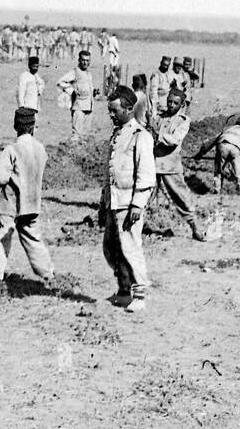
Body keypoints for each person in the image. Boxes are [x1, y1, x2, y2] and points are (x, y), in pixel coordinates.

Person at [0, 108, 55, 298]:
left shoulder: (11, 149)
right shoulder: (40, 149)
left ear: (15, 126)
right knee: (34, 240)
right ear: (33, 127)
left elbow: (0, 179)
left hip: (10, 203)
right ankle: (50, 276)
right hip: (32, 203)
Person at [98, 85, 156, 313]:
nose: (111, 115)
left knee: (130, 247)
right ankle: (123, 291)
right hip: (113, 201)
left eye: (115, 111)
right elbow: (109, 173)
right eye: (109, 111)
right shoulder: (117, 135)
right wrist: (103, 203)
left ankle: (139, 293)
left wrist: (137, 204)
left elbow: (146, 174)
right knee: (111, 249)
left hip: (128, 203)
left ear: (129, 109)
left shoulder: (140, 136)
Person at [151, 89, 205, 238]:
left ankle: (195, 227)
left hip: (170, 165)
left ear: (181, 105)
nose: (171, 105)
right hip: (152, 163)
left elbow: (173, 140)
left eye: (175, 103)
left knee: (181, 196)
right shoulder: (159, 118)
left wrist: (157, 134)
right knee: (143, 196)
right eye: (169, 102)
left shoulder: (183, 121)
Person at [57, 50, 95, 136]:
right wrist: (72, 91)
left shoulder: (89, 73)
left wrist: (94, 91)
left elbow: (88, 88)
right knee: (77, 135)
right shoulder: (75, 72)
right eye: (83, 60)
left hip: (89, 108)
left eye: (87, 60)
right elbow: (61, 82)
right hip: (79, 108)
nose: (85, 63)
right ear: (79, 60)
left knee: (86, 135)